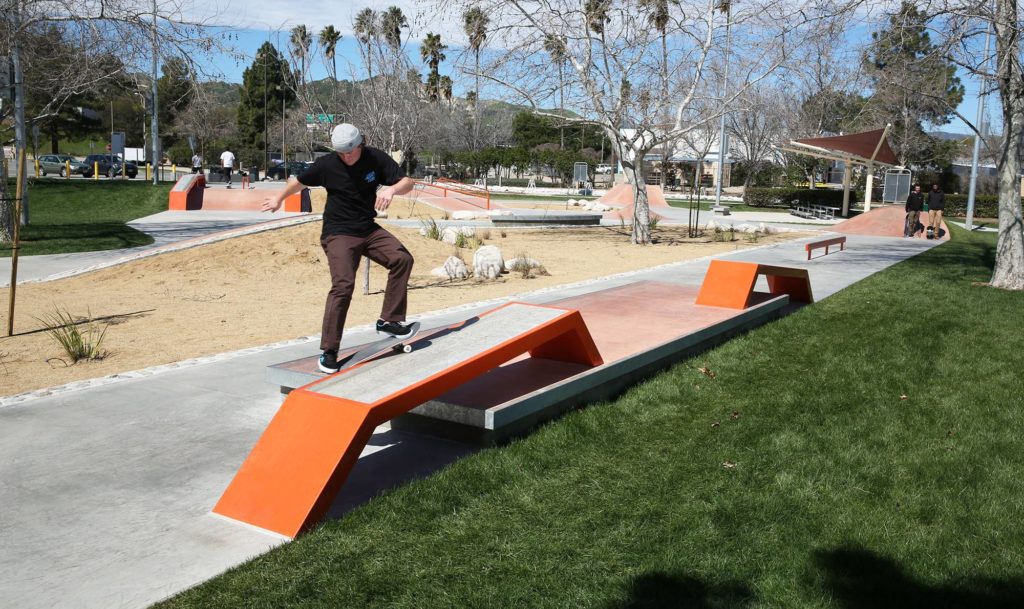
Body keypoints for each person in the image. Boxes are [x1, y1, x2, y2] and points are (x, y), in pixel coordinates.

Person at [262, 123, 415, 373]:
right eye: (342, 153)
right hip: (338, 232)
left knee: (402, 259)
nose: (347, 157)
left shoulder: (375, 158)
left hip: (367, 228)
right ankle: (329, 351)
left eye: (351, 152)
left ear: (360, 144)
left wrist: (392, 189)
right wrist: (279, 199)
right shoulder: (327, 165)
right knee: (343, 285)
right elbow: (299, 182)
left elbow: (408, 182)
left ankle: (390, 321)